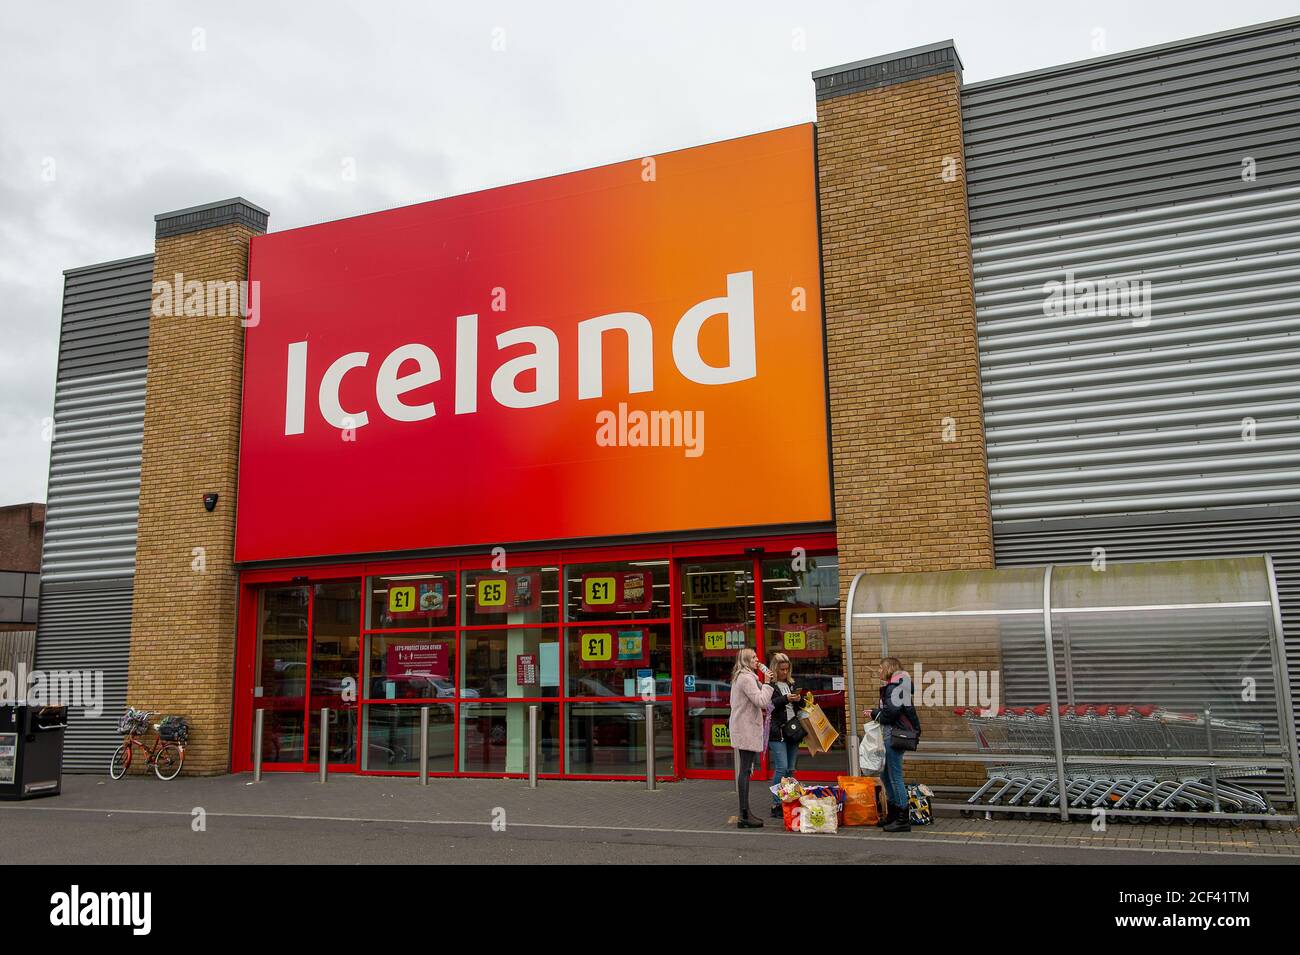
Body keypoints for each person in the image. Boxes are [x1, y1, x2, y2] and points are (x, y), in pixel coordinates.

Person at [864, 657, 919, 832]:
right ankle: (894, 814)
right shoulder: (898, 687)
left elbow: (890, 714)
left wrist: (874, 713)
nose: (879, 671)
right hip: (891, 733)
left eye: (880, 668)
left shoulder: (894, 688)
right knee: (886, 776)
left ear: (888, 668)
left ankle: (903, 818)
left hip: (894, 735)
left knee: (895, 777)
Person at [728, 647, 774, 828]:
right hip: (745, 728)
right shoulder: (746, 678)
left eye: (756, 656)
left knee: (746, 769)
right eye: (753, 657)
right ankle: (744, 815)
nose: (757, 659)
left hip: (744, 727)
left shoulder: (746, 677)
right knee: (745, 770)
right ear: (746, 661)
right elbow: (761, 701)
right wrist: (768, 683)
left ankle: (745, 813)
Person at [766, 652, 805, 818]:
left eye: (787, 669)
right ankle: (776, 803)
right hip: (777, 731)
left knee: (790, 769)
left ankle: (789, 801)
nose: (784, 672)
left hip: (793, 730)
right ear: (775, 669)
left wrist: (798, 699)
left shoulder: (791, 683)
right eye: (781, 669)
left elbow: (801, 705)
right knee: (781, 767)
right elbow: (768, 704)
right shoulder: (769, 685)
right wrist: (786, 698)